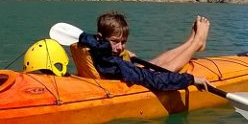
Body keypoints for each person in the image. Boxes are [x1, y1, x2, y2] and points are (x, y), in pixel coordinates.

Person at [77, 12, 211, 91]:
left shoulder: (95, 44)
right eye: (115, 41)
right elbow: (158, 81)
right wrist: (191, 80)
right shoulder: (116, 67)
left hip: (120, 69)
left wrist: (122, 53)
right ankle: (196, 44)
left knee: (151, 64)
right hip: (121, 72)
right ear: (101, 37)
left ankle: (189, 43)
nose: (120, 47)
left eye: (123, 42)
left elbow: (87, 37)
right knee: (163, 69)